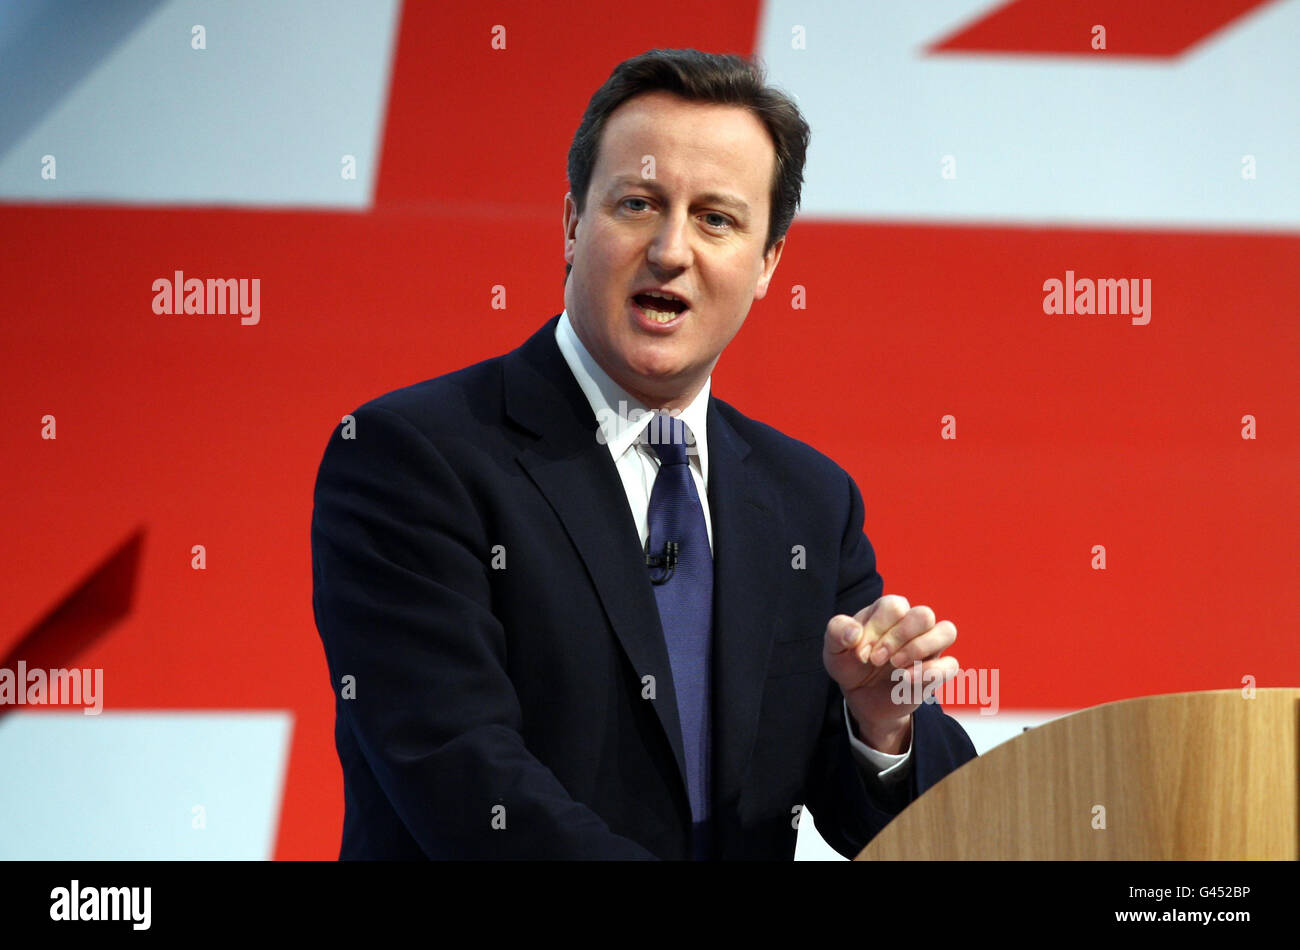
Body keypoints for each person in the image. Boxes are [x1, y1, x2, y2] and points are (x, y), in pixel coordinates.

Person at [311, 48, 977, 860]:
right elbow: (464, 780)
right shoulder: (413, 458)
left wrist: (880, 722)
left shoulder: (809, 499)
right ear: (570, 225)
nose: (670, 249)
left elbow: (906, 822)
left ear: (768, 264)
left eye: (717, 219)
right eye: (637, 204)